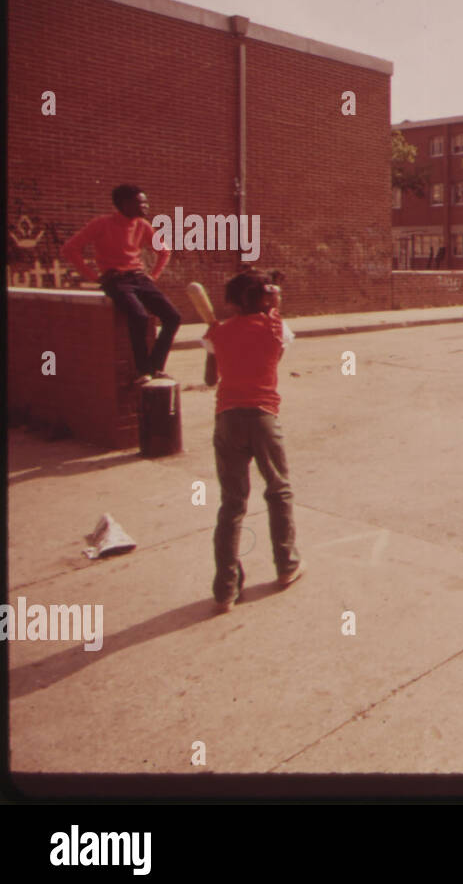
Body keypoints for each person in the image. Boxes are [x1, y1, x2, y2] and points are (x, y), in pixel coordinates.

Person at [202, 269, 303, 613]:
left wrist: (217, 339)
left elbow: (209, 377)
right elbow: (274, 356)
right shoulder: (277, 328)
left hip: (228, 419)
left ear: (231, 304)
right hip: (263, 418)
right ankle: (286, 565)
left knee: (231, 504)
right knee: (278, 490)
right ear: (265, 299)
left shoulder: (218, 333)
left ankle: (225, 589)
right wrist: (271, 306)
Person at [61, 184, 182, 385]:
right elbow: (70, 249)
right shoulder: (101, 224)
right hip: (115, 279)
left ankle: (155, 367)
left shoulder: (143, 225)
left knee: (173, 317)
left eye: (146, 202)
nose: (146, 206)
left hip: (139, 278)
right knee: (139, 315)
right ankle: (143, 370)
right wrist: (94, 277)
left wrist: (153, 275)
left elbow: (164, 252)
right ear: (124, 204)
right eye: (140, 202)